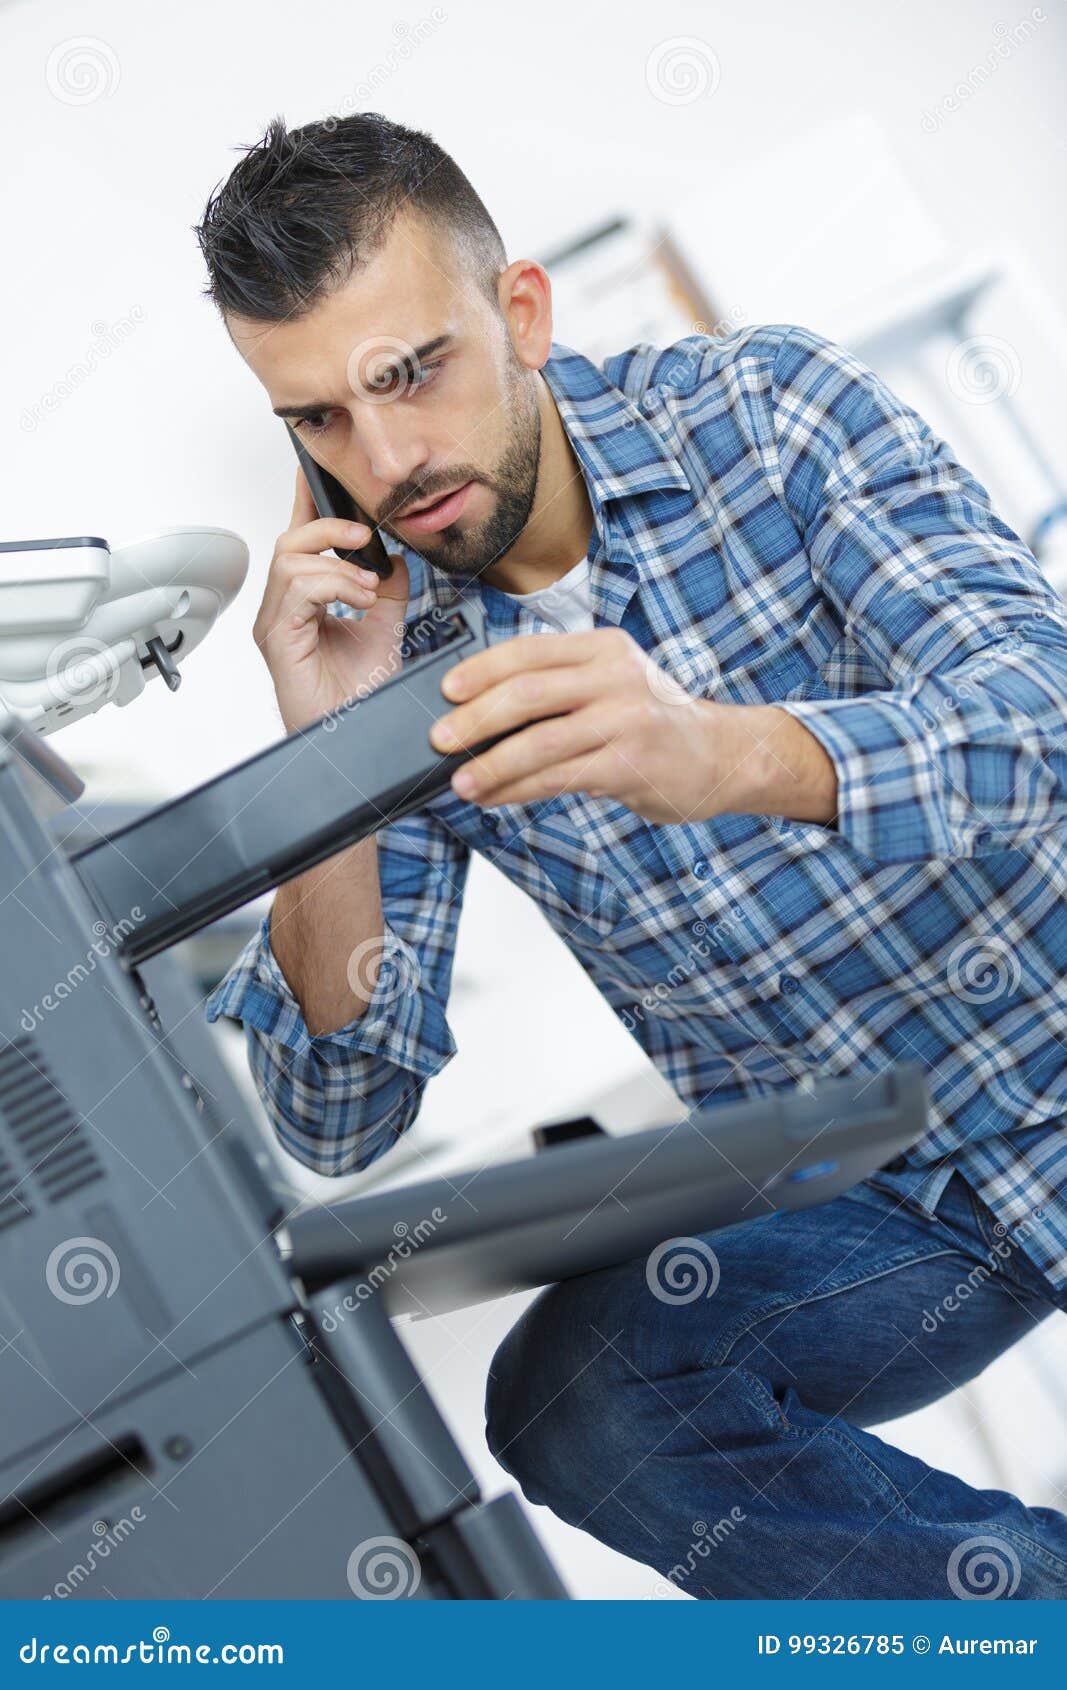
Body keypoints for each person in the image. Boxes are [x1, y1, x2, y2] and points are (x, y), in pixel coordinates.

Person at [195, 112, 1067, 1598]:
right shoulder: (401, 657)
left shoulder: (768, 413)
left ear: (520, 314)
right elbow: (339, 1117)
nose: (390, 458)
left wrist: (726, 751)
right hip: (897, 1204)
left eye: (414, 373)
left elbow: (1038, 722)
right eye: (323, 420)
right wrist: (323, 764)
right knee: (580, 1399)